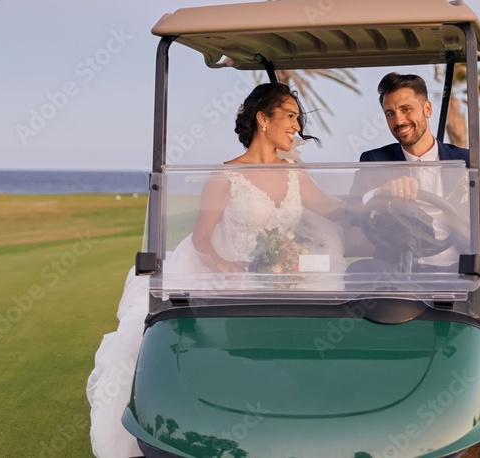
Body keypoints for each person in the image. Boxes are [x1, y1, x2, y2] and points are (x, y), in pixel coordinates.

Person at [86, 83, 343, 458]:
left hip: (282, 274)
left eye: (298, 120)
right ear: (262, 118)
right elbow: (202, 237)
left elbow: (332, 209)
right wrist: (220, 263)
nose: (296, 127)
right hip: (235, 274)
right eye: (289, 116)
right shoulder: (225, 177)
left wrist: (375, 203)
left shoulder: (295, 174)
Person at [355, 72, 480, 339]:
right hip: (399, 270)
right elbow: (352, 212)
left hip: (459, 271)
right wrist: (381, 192)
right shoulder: (375, 160)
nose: (399, 120)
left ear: (427, 109)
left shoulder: (468, 162)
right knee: (357, 272)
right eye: (390, 113)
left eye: (406, 109)